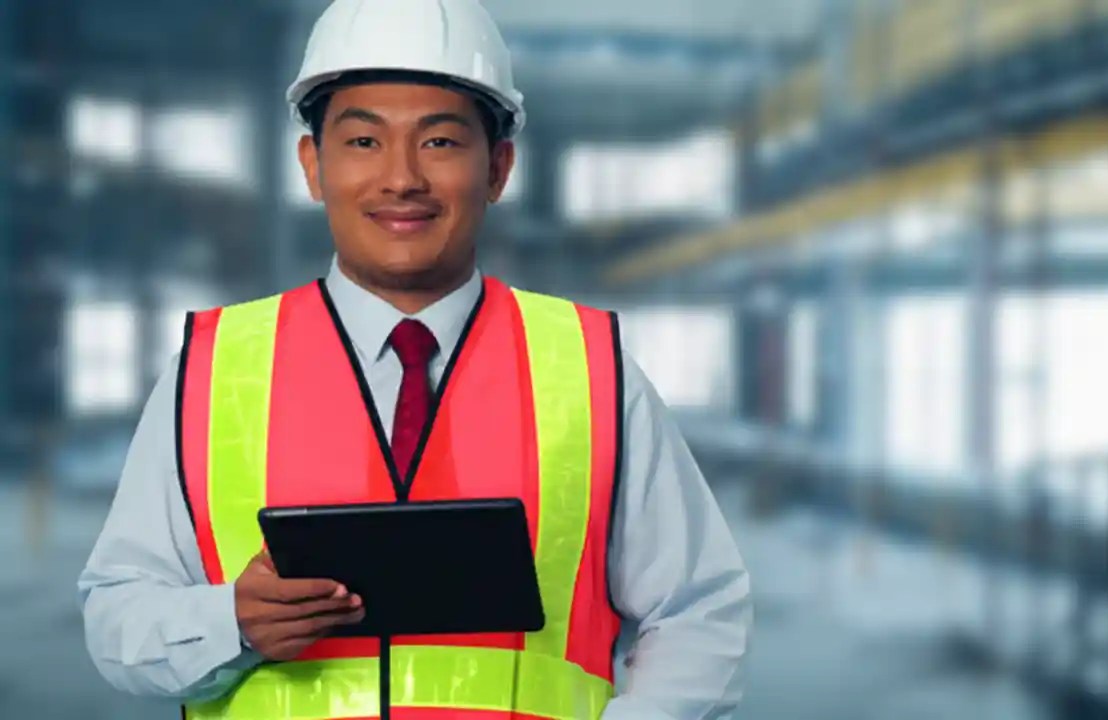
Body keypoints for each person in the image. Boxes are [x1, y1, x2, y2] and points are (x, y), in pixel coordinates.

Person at [77, 0, 751, 718]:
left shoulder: (593, 374)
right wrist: (230, 623)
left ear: (498, 168)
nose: (401, 179)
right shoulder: (212, 374)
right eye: (364, 142)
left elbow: (698, 613)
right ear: (313, 164)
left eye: (439, 143)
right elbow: (117, 616)